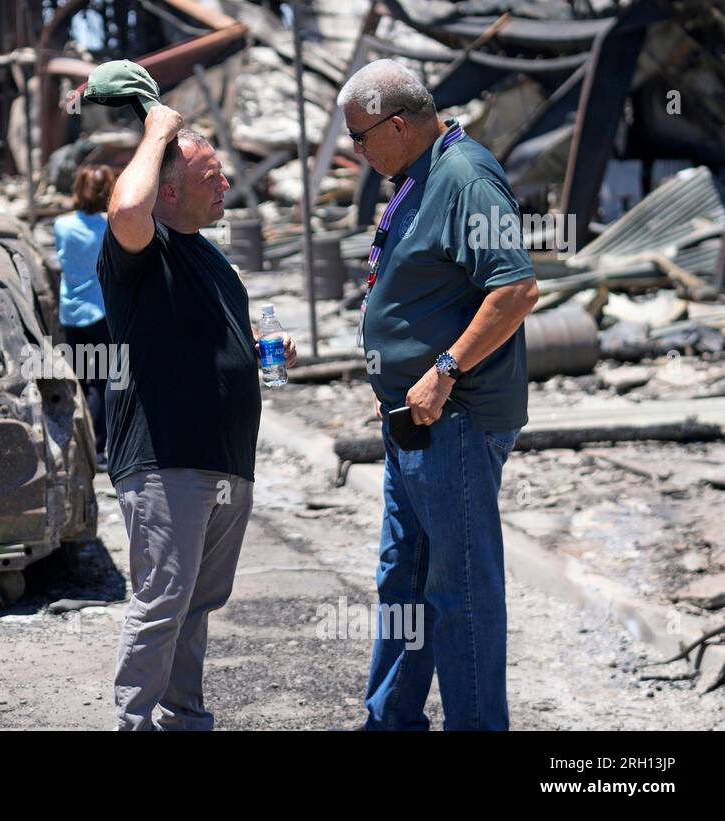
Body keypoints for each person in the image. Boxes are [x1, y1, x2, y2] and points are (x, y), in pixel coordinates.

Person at [339, 59, 539, 730]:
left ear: (397, 125)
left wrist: (443, 368)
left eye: (360, 138)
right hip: (413, 421)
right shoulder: (418, 176)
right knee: (405, 586)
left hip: (453, 418)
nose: (356, 153)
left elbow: (514, 289)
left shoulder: (466, 177)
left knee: (460, 594)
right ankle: (391, 720)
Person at [99, 104, 295, 731]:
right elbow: (126, 208)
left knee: (197, 604)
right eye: (211, 176)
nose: (226, 186)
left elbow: (222, 343)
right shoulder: (142, 249)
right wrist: (157, 130)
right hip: (166, 457)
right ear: (170, 189)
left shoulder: (208, 255)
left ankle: (183, 720)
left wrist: (271, 349)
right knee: (163, 601)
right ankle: (131, 724)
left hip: (225, 460)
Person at [54, 164, 116, 470]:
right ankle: (98, 449)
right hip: (100, 313)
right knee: (104, 382)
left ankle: (75, 442)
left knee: (78, 380)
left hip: (71, 313)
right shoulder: (110, 225)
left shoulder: (62, 225)